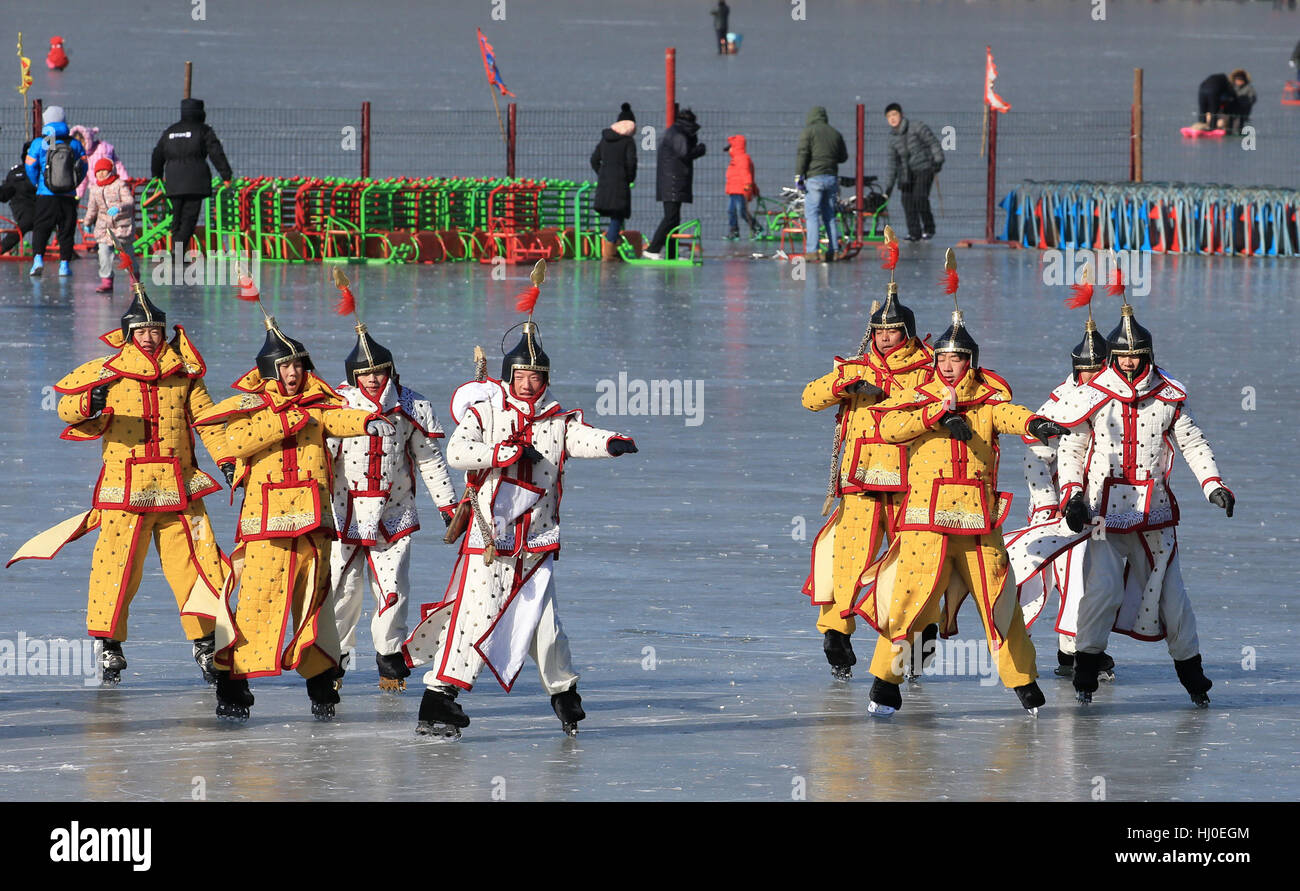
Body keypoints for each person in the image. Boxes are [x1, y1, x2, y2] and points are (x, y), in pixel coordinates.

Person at [404, 269, 639, 739]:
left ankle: (563, 691)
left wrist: (611, 441)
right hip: (490, 539)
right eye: (521, 374)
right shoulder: (485, 412)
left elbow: (580, 435)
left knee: (544, 621)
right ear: (509, 374)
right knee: (475, 615)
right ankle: (438, 700)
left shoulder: (557, 418)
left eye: (537, 374)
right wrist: (503, 452)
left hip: (538, 540)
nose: (529, 382)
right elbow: (455, 453)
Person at [853, 251, 1066, 716]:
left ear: (971, 361)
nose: (948, 365)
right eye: (944, 357)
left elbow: (1009, 416)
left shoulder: (987, 400)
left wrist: (1037, 424)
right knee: (909, 602)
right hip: (924, 521)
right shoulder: (918, 397)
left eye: (958, 358)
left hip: (977, 522)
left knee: (998, 600)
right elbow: (889, 428)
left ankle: (1023, 683)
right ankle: (885, 684)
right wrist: (935, 416)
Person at [14, 282, 232, 686]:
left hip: (180, 488)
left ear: (165, 332)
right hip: (123, 492)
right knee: (116, 568)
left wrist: (229, 460)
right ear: (129, 334)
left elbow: (208, 422)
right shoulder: (109, 371)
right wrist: (89, 405)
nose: (150, 338)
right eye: (142, 331)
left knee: (196, 567)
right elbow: (66, 406)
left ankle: (206, 643)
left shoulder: (185, 375)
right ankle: (109, 645)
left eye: (156, 330)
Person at [195, 308, 388, 721]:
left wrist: (367, 419)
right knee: (255, 604)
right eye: (285, 366)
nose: (294, 372)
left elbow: (336, 418)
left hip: (313, 523)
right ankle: (232, 685)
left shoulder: (317, 405)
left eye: (299, 364)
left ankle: (321, 685)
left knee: (315, 606)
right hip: (265, 524)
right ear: (270, 370)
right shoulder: (251, 407)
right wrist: (286, 419)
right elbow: (234, 440)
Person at [1050, 292, 1234, 708]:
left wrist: (1213, 485)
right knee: (1102, 590)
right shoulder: (1093, 393)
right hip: (1102, 512)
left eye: (1136, 355)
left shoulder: (1168, 394)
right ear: (1113, 355)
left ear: (1147, 354)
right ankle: (1084, 671)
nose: (1129, 361)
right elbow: (1072, 447)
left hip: (1155, 511)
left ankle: (1192, 675)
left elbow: (1192, 443)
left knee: (1173, 596)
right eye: (1122, 354)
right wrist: (1073, 496)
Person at [801, 230, 936, 679]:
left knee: (912, 563)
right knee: (850, 557)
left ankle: (912, 640)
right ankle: (836, 629)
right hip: (859, 480)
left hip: (911, 484)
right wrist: (846, 385)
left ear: (908, 332)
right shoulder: (856, 366)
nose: (883, 338)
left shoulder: (930, 368)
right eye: (878, 331)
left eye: (892, 331)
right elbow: (809, 398)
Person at [328, 319, 459, 692]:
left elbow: (429, 459)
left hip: (393, 513)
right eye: (365, 373)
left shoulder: (410, 405)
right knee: (342, 589)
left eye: (378, 371)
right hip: (345, 513)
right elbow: (322, 459)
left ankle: (389, 658)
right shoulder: (338, 405)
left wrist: (448, 505)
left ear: (390, 370)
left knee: (392, 588)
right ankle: (333, 662)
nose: (372, 379)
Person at [1018, 288, 1115, 680]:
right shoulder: (1058, 404)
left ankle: (1082, 647)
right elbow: (1035, 457)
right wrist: (1047, 503)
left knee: (1100, 581)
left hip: (1106, 509)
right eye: (1086, 370)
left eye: (1099, 369)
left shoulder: (1120, 401)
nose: (1091, 377)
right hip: (1065, 508)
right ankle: (1073, 653)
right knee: (1073, 578)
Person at [150, 98, 232, 254]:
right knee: (189, 219)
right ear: (201, 113)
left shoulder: (170, 131)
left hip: (173, 181)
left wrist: (157, 175)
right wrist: (226, 175)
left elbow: (157, 154)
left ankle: (177, 250)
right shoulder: (204, 130)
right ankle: (178, 249)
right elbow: (216, 153)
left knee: (177, 218)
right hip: (196, 181)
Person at [24, 105, 87, 277]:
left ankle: (38, 260)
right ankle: (64, 265)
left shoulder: (42, 143)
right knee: (66, 230)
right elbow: (84, 166)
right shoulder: (73, 143)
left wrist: (38, 182)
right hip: (67, 195)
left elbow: (30, 166)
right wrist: (73, 183)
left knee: (41, 228)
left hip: (46, 194)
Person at [644, 109, 705, 260]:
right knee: (670, 218)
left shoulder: (676, 131)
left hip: (672, 181)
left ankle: (671, 254)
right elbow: (685, 154)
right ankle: (653, 249)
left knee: (674, 220)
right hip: (672, 182)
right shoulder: (678, 134)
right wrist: (699, 150)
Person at [882, 103, 944, 242]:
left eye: (894, 115)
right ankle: (914, 232)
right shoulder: (892, 138)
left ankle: (929, 228)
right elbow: (892, 163)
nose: (892, 119)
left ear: (901, 115)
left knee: (920, 197)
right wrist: (888, 188)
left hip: (924, 168)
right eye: (889, 116)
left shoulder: (916, 127)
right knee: (907, 200)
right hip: (906, 173)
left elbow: (933, 143)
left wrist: (938, 160)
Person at [795, 106, 848, 262]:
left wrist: (799, 175)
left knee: (811, 215)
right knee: (829, 215)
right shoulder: (835, 133)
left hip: (814, 178)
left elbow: (803, 154)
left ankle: (812, 251)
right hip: (831, 178)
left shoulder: (808, 132)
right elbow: (843, 157)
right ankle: (834, 250)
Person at [590, 103, 637, 262]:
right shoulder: (628, 142)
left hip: (605, 183)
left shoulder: (605, 139)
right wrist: (628, 178)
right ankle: (609, 252)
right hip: (619, 183)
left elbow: (594, 159)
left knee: (614, 216)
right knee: (618, 215)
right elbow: (631, 163)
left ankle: (613, 248)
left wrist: (602, 173)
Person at [82, 158, 135, 293]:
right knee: (104, 253)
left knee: (126, 254)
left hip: (121, 226)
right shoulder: (95, 189)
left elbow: (129, 201)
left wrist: (119, 207)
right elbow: (92, 208)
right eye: (98, 171)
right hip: (104, 227)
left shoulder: (119, 185)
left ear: (111, 170)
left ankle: (133, 276)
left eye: (104, 170)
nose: (100, 173)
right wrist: (87, 222)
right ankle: (106, 280)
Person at [69, 126, 129, 200]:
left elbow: (117, 165)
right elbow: (83, 177)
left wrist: (125, 180)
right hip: (95, 189)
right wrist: (78, 194)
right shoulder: (83, 156)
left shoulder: (102, 149)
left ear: (87, 139)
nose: (80, 145)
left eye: (82, 141)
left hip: (109, 186)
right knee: (94, 208)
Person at [0, 140, 37, 256]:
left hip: (43, 207)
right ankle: (3, 246)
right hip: (23, 208)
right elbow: (6, 193)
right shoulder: (17, 173)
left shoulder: (45, 172)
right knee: (27, 221)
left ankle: (66, 251)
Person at [724, 134, 760, 239]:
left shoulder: (741, 158)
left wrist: (748, 186)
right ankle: (734, 231)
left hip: (740, 190)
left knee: (741, 211)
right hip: (734, 190)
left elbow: (746, 173)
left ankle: (756, 228)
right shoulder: (737, 159)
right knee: (732, 211)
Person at [1226, 69, 1257, 133]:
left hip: (1244, 109)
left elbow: (1253, 98)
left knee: (1241, 120)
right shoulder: (1232, 87)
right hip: (1232, 109)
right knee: (1230, 119)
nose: (1239, 82)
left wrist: (1246, 103)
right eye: (1238, 80)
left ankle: (1240, 131)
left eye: (1241, 80)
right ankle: (1229, 131)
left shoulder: (1248, 88)